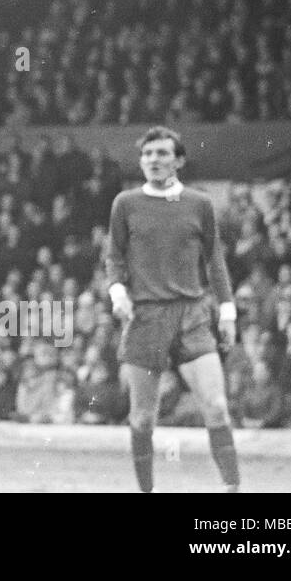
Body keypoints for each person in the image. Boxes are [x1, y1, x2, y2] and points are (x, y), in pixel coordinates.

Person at [106, 125, 241, 493]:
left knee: (216, 406)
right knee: (142, 417)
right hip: (146, 317)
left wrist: (228, 311)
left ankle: (233, 488)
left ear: (178, 161)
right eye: (148, 154)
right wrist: (117, 292)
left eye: (162, 153)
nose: (154, 160)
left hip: (192, 314)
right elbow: (114, 257)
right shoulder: (126, 204)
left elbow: (214, 261)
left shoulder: (199, 204)